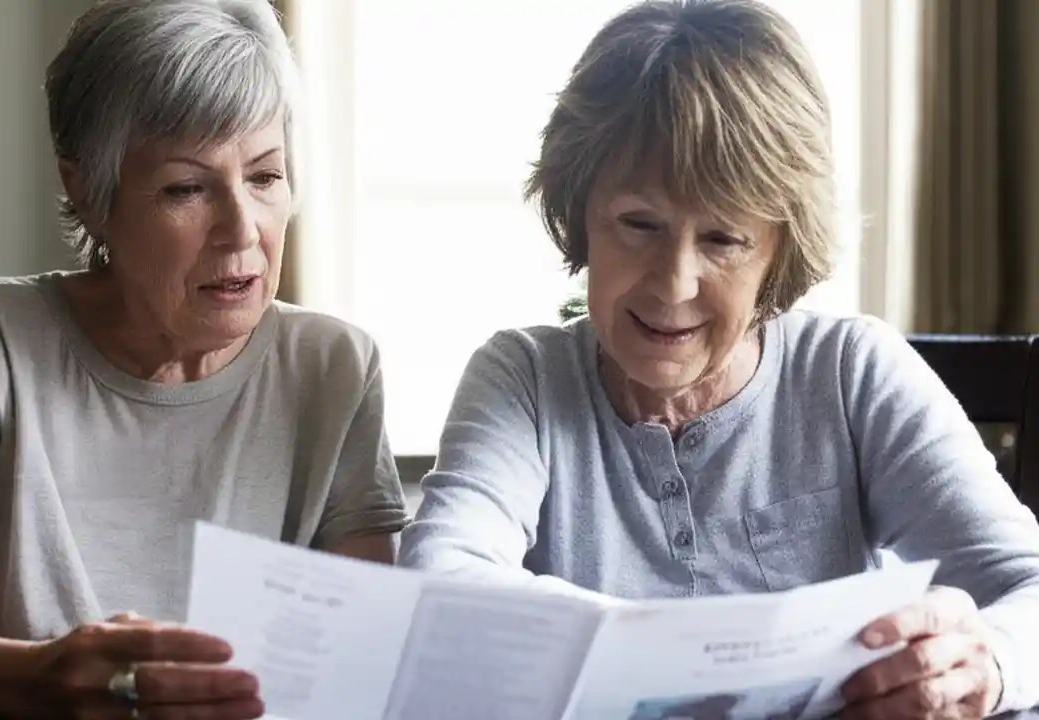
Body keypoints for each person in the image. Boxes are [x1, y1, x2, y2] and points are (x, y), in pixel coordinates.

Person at [399, 1, 1039, 718]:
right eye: (639, 224)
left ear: (779, 251)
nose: (673, 284)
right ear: (581, 213)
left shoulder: (852, 371)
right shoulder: (523, 378)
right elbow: (443, 582)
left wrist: (990, 661)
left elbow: (1028, 587)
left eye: (724, 239)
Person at [0, 1, 408, 717]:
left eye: (266, 177)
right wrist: (39, 680)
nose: (243, 228)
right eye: (186, 188)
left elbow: (364, 669)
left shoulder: (335, 368)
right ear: (87, 193)